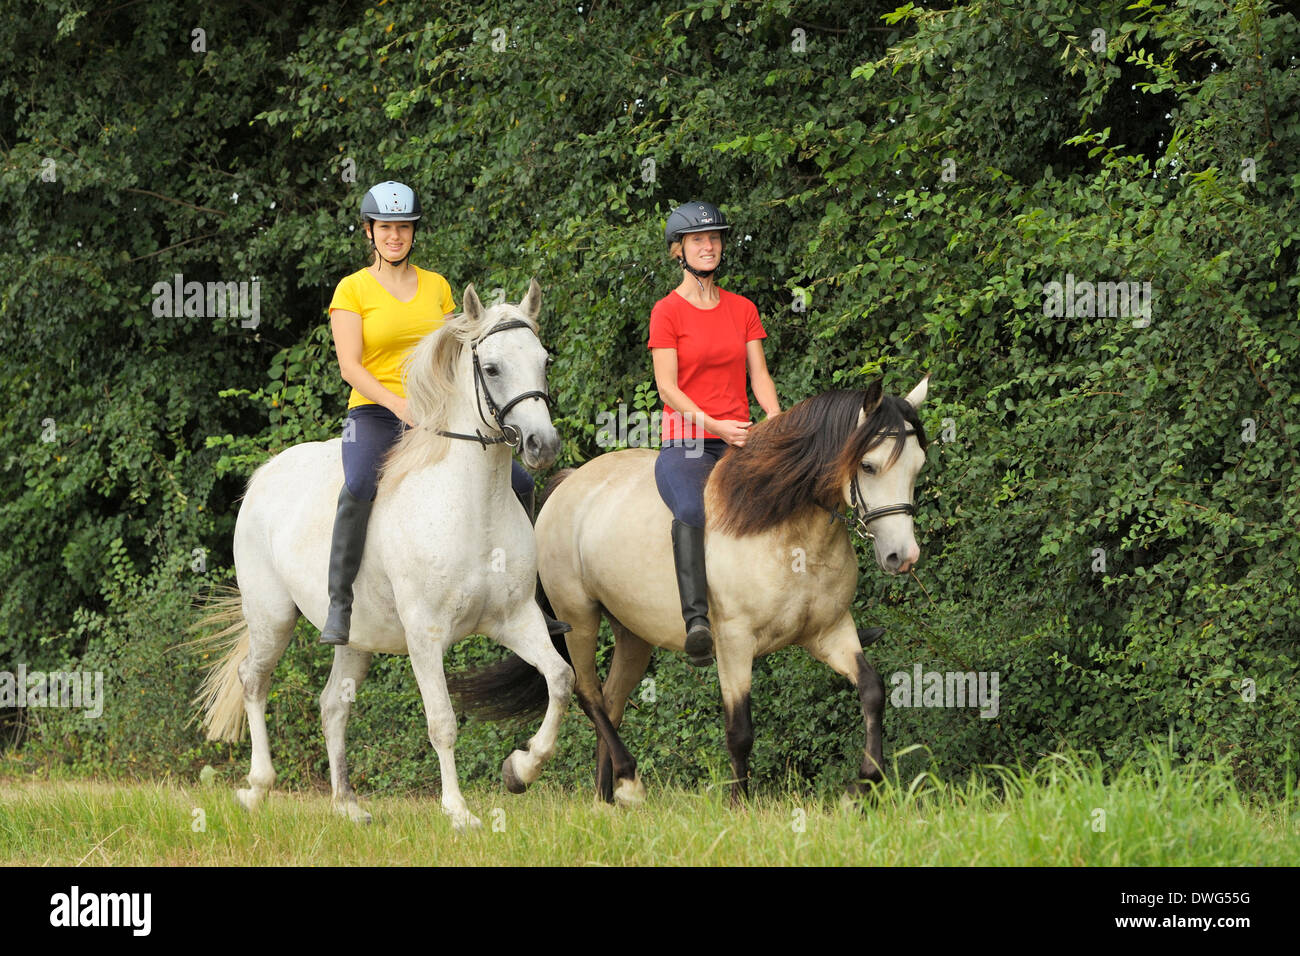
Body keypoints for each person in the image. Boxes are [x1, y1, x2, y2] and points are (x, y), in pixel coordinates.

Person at [321, 180, 547, 645]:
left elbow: (458, 354)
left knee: (520, 481)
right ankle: (340, 603)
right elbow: (350, 366)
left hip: (438, 414)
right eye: (385, 227)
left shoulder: (438, 287)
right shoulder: (353, 290)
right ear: (369, 232)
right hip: (376, 413)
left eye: (403, 228)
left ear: (413, 232)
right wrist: (398, 404)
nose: (395, 236)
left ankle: (532, 595)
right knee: (360, 483)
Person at [648, 201, 781, 667]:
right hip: (688, 439)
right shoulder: (666, 312)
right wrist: (715, 425)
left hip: (741, 436)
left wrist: (775, 418)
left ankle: (817, 608)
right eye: (698, 240)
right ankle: (697, 621)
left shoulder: (742, 308)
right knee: (691, 507)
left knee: (801, 486)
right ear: (678, 250)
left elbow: (759, 375)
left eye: (715, 238)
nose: (709, 246)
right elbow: (668, 386)